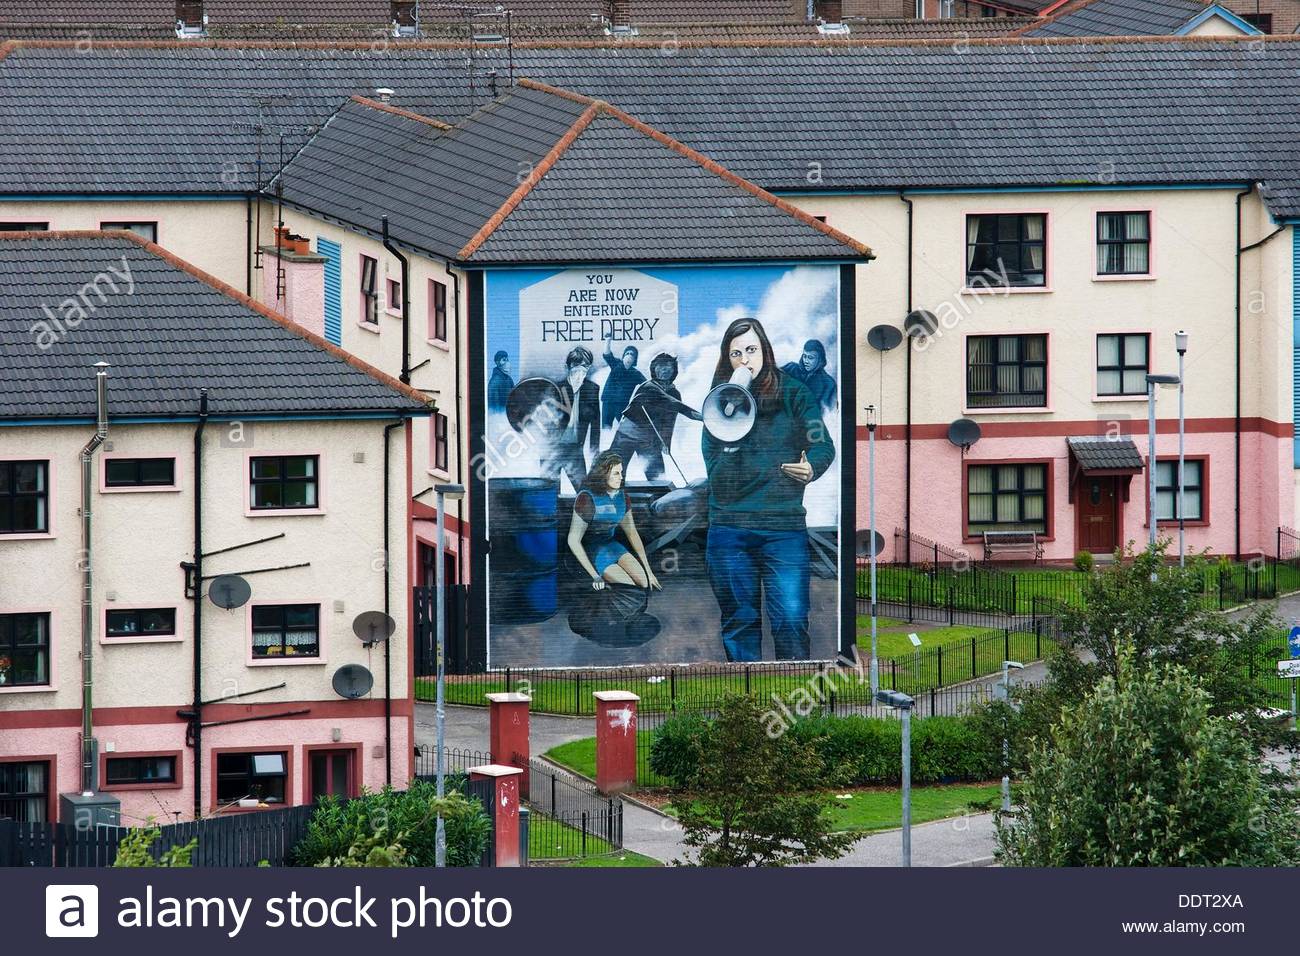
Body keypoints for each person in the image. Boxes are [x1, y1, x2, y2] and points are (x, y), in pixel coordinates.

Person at [702, 317, 834, 661]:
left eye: (751, 349)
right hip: (729, 530)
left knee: (790, 620)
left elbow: (822, 444)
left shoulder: (795, 393)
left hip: (783, 529)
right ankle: (745, 707)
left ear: (765, 351)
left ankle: (794, 710)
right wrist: (732, 425)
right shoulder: (718, 405)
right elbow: (718, 480)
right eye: (735, 353)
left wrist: (812, 467)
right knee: (739, 622)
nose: (744, 359)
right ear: (726, 360)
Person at [566, 451, 661, 592]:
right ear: (603, 473)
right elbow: (573, 540)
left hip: (612, 546)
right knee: (629, 587)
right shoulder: (586, 499)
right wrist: (595, 576)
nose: (621, 478)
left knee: (644, 583)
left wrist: (649, 572)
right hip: (592, 550)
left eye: (621, 473)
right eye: (616, 473)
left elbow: (632, 533)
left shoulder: (622, 497)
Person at [608, 352, 701, 481]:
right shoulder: (648, 386)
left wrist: (666, 443)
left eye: (668, 366)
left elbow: (670, 421)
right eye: (660, 366)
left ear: (674, 370)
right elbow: (675, 405)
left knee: (657, 477)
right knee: (614, 473)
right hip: (626, 434)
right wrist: (702, 417)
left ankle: (659, 499)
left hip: (649, 439)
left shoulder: (674, 393)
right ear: (654, 369)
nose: (664, 370)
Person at [543, 347, 599, 492]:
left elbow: (595, 421)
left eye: (585, 365)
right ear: (567, 367)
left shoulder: (592, 389)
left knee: (585, 495)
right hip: (552, 450)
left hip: (575, 450)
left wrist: (595, 450)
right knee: (549, 495)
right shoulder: (556, 388)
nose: (580, 370)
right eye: (575, 365)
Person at [600, 332, 646, 428]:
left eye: (632, 354)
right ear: (623, 355)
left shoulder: (636, 374)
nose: (629, 356)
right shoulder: (616, 363)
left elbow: (646, 384)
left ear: (635, 359)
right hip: (608, 401)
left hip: (622, 404)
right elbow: (607, 354)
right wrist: (608, 340)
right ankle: (606, 441)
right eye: (627, 353)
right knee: (606, 426)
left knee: (625, 427)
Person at [781, 339, 836, 411]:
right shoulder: (791, 369)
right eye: (804, 356)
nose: (806, 361)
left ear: (820, 359)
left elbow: (828, 412)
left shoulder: (828, 383)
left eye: (810, 357)